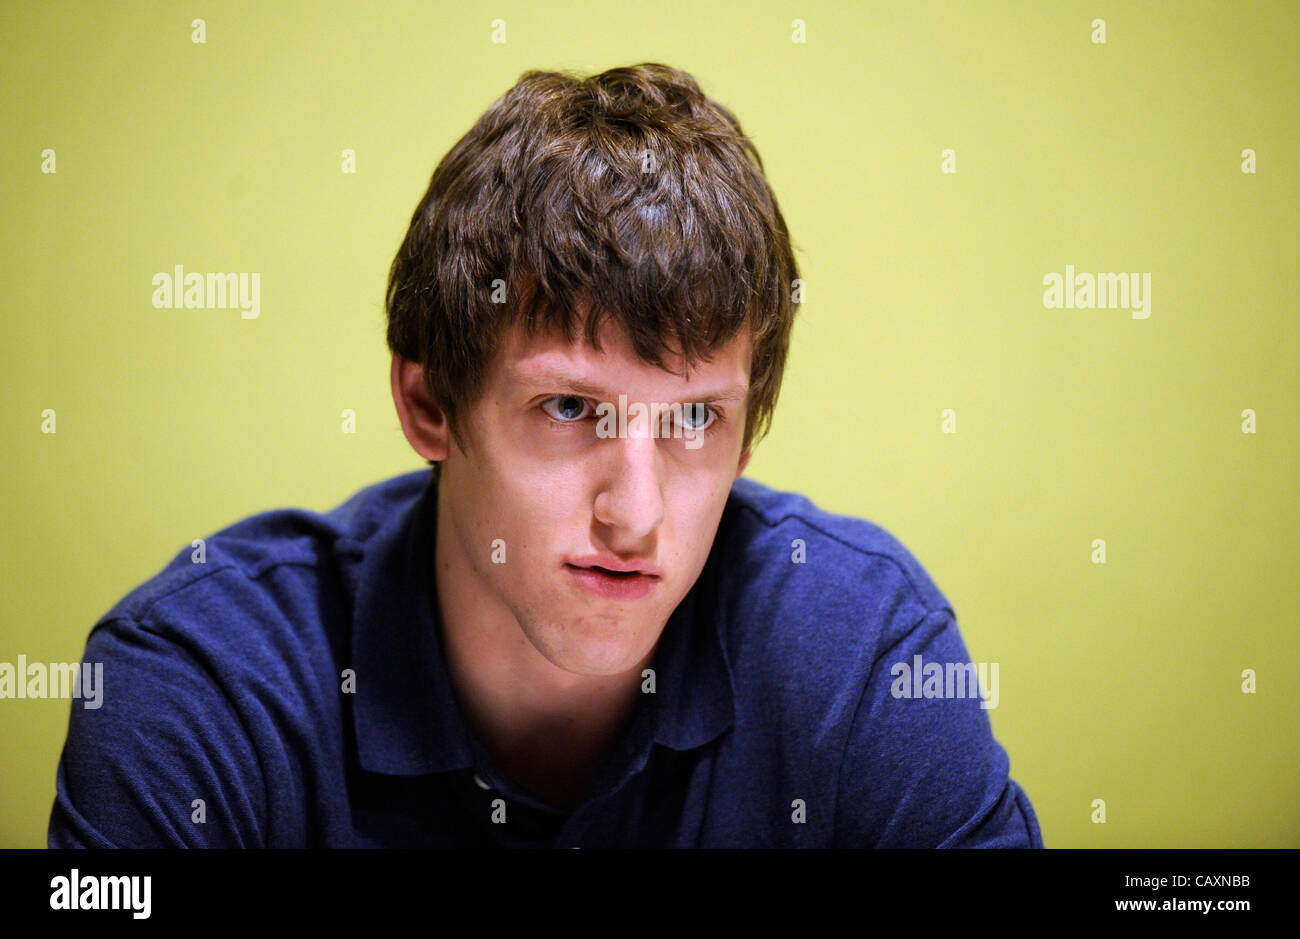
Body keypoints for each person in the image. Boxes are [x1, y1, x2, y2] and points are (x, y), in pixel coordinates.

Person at [49, 62, 1043, 848]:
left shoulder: (860, 652)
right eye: (570, 408)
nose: (637, 515)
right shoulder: (205, 681)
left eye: (695, 419)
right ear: (429, 403)